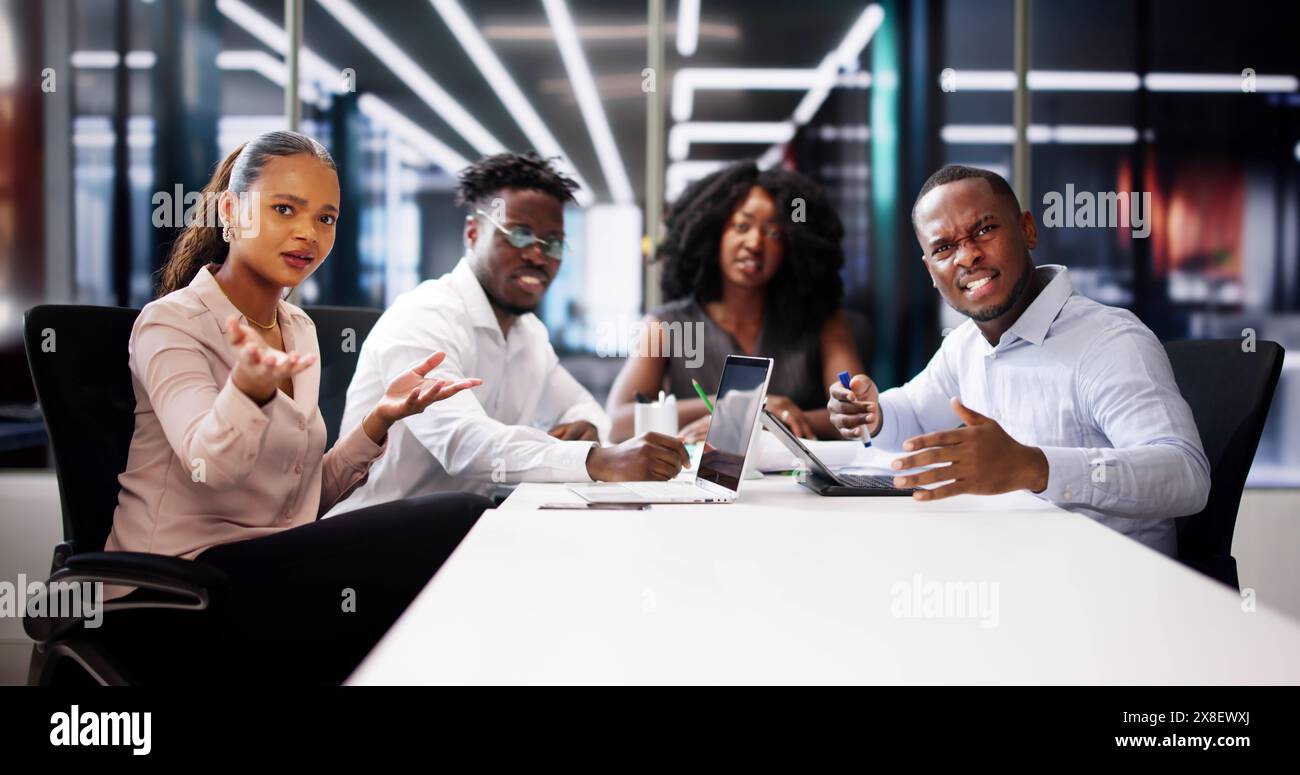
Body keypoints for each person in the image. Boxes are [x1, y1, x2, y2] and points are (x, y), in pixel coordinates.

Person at [104, 131, 490, 683]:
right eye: (284, 209)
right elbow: (208, 467)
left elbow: (300, 503)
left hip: (267, 575)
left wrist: (380, 419)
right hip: (177, 590)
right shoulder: (173, 322)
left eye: (326, 218)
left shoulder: (297, 328)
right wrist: (249, 392)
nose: (308, 233)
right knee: (459, 515)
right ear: (231, 212)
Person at [827, 164, 1210, 556]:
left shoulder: (1108, 341)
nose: (967, 256)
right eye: (943, 248)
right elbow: (916, 414)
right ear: (930, 270)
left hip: (1110, 587)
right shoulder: (966, 345)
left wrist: (1033, 467)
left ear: (1027, 229)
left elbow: (1186, 475)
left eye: (984, 230)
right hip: (1016, 569)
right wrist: (874, 413)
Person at [328, 152, 688, 514]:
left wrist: (587, 429)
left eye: (554, 243)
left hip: (465, 532)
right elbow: (462, 443)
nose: (538, 255)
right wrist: (594, 460)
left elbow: (585, 408)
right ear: (473, 233)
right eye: (519, 234)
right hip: (375, 535)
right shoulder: (425, 316)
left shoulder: (528, 334)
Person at [606, 161, 863, 442]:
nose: (755, 243)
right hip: (698, 484)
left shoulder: (823, 321)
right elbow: (618, 422)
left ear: (792, 247)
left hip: (796, 484)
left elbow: (855, 415)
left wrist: (766, 422)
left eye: (774, 233)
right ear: (714, 235)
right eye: (742, 226)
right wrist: (733, 410)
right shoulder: (666, 326)